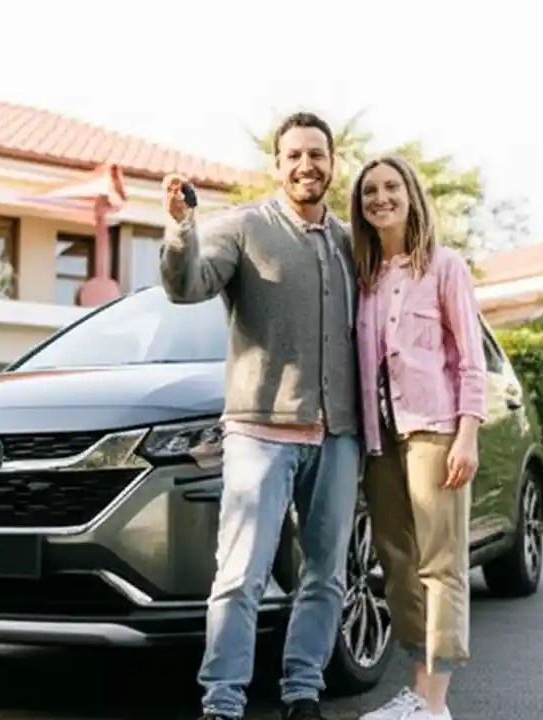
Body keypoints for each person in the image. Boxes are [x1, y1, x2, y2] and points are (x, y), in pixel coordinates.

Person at [158, 112, 361, 720]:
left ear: (332, 161)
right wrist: (180, 227)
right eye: (294, 155)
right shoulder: (242, 227)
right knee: (240, 577)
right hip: (259, 434)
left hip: (337, 436)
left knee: (326, 576)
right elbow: (186, 284)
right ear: (277, 165)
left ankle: (303, 694)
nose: (307, 165)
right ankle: (223, 703)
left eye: (317, 154)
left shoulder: (351, 242)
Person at [349, 156, 488, 720]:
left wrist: (467, 434)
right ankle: (417, 692)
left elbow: (471, 359)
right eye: (369, 191)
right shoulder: (364, 277)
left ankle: (434, 704)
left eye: (391, 187)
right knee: (398, 564)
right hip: (380, 438)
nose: (380, 198)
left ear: (411, 195)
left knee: (440, 564)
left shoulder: (446, 266)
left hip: (435, 429)